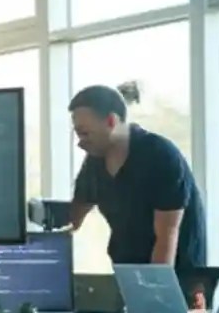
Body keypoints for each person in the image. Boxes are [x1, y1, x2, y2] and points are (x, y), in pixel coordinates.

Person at [69, 84, 208, 283]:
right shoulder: (95, 162)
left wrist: (155, 292)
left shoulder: (160, 155)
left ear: (111, 121)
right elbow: (70, 220)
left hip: (179, 280)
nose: (80, 142)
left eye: (85, 133)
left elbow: (167, 236)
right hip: (129, 276)